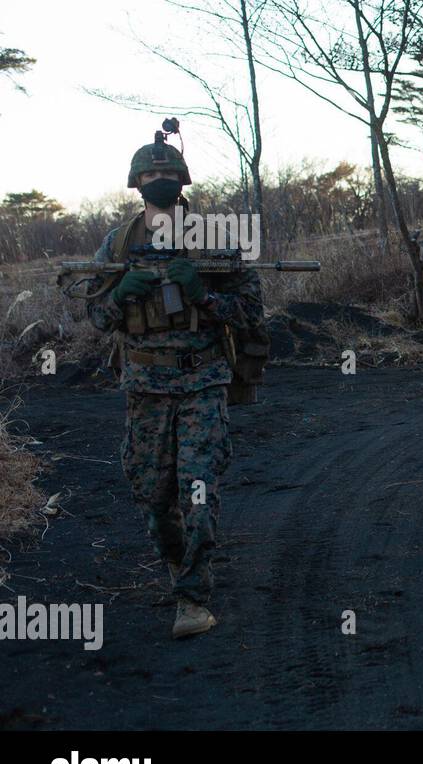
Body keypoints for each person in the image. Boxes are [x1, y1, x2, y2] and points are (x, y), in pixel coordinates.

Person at [85, 128, 264, 638]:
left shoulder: (214, 240)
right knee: (152, 491)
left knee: (198, 485)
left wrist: (204, 297)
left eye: (168, 173)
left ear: (182, 179)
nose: (160, 180)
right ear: (136, 182)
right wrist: (121, 294)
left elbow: (252, 314)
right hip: (144, 385)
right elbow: (95, 318)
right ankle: (177, 559)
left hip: (202, 379)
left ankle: (193, 596)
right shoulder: (117, 243)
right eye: (151, 174)